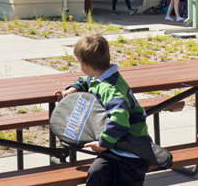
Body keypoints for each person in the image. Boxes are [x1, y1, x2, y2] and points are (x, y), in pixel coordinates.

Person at [56, 33, 150, 186]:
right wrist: (74, 88)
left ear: (85, 64)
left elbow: (120, 120)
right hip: (116, 145)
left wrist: (102, 144)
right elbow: (87, 80)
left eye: (79, 62)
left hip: (131, 150)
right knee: (96, 174)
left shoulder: (110, 89)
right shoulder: (104, 76)